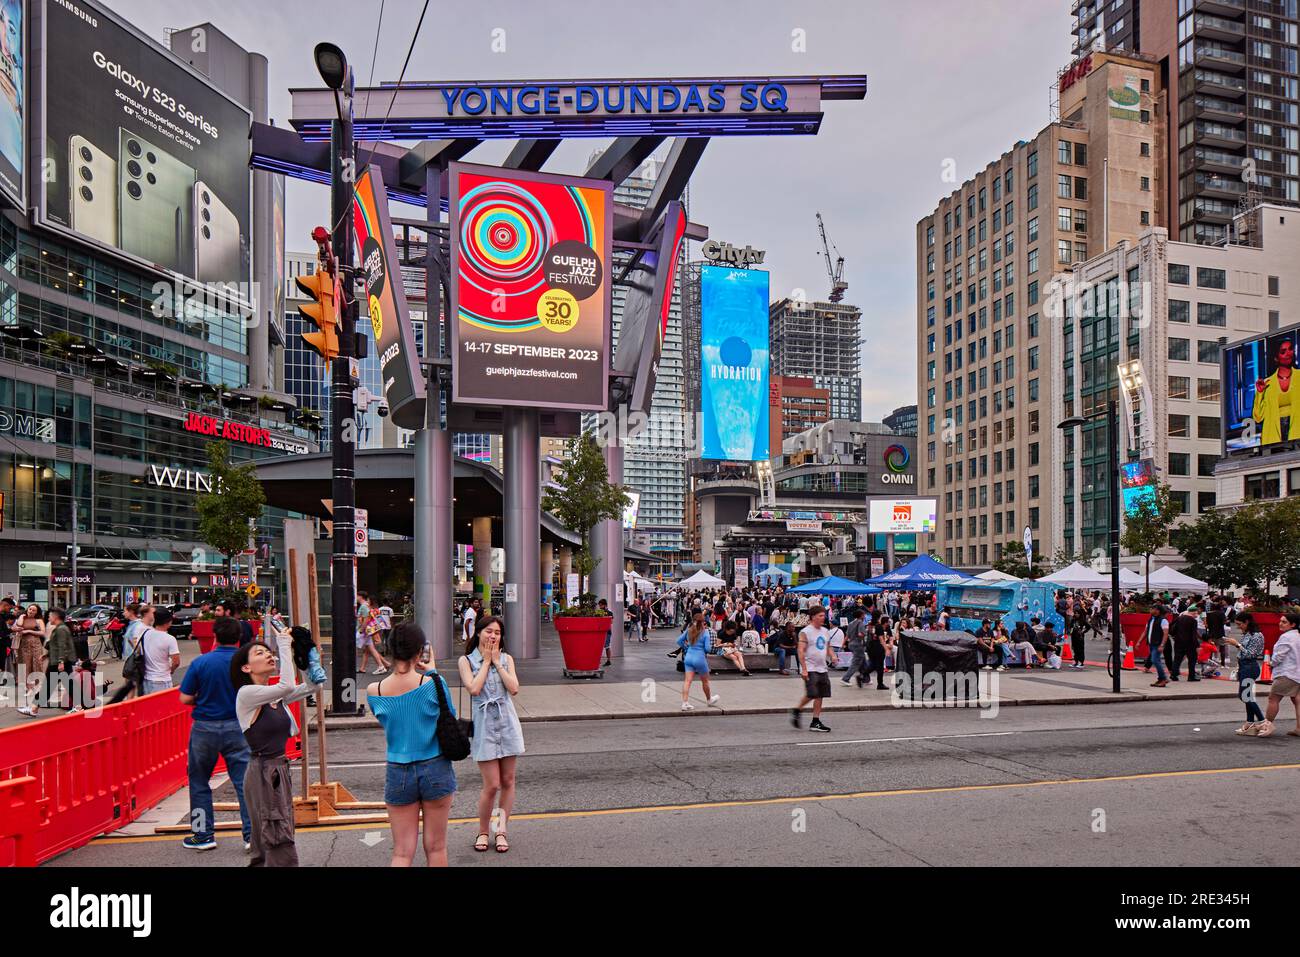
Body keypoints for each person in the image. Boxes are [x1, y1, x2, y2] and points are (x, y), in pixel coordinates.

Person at [368, 623, 458, 866]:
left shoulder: (374, 690)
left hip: (398, 770)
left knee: (401, 852)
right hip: (436, 766)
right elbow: (450, 715)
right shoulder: (432, 684)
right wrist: (434, 673)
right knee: (437, 848)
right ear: (420, 652)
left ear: (390, 650)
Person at [230, 637, 323, 866]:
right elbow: (287, 686)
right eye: (260, 653)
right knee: (275, 831)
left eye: (269, 651)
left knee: (272, 831)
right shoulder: (247, 694)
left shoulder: (273, 695)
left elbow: (314, 687)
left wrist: (306, 660)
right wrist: (283, 646)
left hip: (277, 770)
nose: (269, 655)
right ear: (246, 667)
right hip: (263, 771)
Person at [178, 616, 253, 852]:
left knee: (199, 781)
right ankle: (251, 835)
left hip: (205, 727)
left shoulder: (202, 663)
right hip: (238, 726)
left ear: (215, 636)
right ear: (239, 637)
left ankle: (203, 835)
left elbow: (185, 697)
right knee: (244, 783)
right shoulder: (247, 663)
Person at [458, 615, 525, 854]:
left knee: (508, 781)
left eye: (497, 632)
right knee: (492, 785)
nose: (493, 636)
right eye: (488, 631)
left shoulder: (506, 659)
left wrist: (497, 662)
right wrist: (486, 662)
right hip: (485, 725)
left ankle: (501, 831)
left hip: (507, 722)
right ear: (478, 632)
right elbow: (474, 689)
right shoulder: (466, 660)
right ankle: (483, 831)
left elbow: (514, 688)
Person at [1255, 612, 1300, 738]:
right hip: (1296, 673)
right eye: (1280, 621)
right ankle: (1299, 728)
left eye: (1284, 622)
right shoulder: (1297, 636)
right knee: (1297, 700)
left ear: (1293, 624)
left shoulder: (1286, 637)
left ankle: (1267, 725)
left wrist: (1271, 663)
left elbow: (1279, 655)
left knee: (1273, 699)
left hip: (1287, 673)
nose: (1280, 623)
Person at [1223, 613, 1267, 735]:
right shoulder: (1249, 634)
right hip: (1244, 667)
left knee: (1245, 696)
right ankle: (1250, 722)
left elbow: (1250, 654)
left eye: (1239, 624)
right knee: (1248, 696)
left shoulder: (1257, 635)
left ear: (1247, 622)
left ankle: (1263, 721)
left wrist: (1236, 644)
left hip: (1249, 667)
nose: (1238, 627)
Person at [792, 605, 834, 732]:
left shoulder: (825, 631)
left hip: (822, 667)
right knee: (812, 693)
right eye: (820, 616)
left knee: (820, 695)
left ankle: (815, 721)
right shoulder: (806, 632)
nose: (823, 618)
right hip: (810, 667)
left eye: (824, 615)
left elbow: (828, 646)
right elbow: (800, 650)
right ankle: (797, 710)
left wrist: (833, 655)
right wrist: (803, 669)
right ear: (813, 617)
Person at [1252, 335, 1295, 445]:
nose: (1288, 353)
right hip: (1273, 439)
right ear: (1276, 357)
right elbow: (1258, 417)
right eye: (1283, 351)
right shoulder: (1268, 383)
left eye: (1290, 349)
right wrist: (1260, 393)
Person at [677, 611, 720, 711]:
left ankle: (685, 703)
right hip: (699, 658)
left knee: (687, 681)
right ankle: (709, 700)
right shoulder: (705, 633)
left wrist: (686, 647)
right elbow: (708, 649)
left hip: (688, 657)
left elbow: (678, 641)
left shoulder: (689, 630)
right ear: (703, 622)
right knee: (705, 681)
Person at [13, 604, 47, 716]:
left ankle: (37, 686)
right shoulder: (22, 617)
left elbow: (42, 632)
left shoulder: (39, 620)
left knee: (37, 664)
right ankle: (28, 688)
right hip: (24, 645)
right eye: (30, 609)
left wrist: (29, 631)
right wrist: (22, 617)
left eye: (34, 610)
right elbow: (16, 626)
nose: (31, 611)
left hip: (35, 644)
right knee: (24, 665)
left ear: (37, 612)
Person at [141, 607, 181, 694]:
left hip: (147, 678)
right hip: (162, 680)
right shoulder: (170, 639)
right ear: (169, 621)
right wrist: (172, 670)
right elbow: (176, 661)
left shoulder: (146, 633)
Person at [43, 608, 76, 712]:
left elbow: (62, 646)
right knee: (65, 685)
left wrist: (61, 661)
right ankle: (34, 707)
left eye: (50, 616)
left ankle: (34, 707)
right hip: (58, 661)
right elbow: (56, 646)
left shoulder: (61, 629)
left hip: (59, 662)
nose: (48, 618)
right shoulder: (59, 628)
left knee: (50, 685)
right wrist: (47, 654)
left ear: (55, 617)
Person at [355, 591, 390, 675]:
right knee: (370, 649)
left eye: (357, 596)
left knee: (353, 646)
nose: (356, 598)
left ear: (360, 597)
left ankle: (382, 666)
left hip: (363, 631)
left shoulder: (363, 606)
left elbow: (367, 618)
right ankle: (383, 664)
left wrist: (361, 629)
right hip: (367, 631)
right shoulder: (366, 605)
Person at [1169, 603, 1201, 682]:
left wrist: (1174, 636)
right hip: (1190, 643)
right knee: (1192, 660)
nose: (1196, 615)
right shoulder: (1193, 621)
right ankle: (1191, 676)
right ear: (1193, 613)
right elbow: (1193, 635)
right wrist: (1197, 645)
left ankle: (1174, 674)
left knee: (1177, 659)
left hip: (1178, 641)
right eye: (1196, 613)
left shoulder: (1179, 618)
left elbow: (1172, 628)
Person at [841, 607, 868, 688]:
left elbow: (847, 635)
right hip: (858, 644)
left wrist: (843, 644)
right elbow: (861, 634)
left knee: (863, 661)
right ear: (861, 615)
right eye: (864, 615)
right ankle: (845, 678)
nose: (865, 616)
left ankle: (866, 678)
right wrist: (864, 635)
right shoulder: (860, 623)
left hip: (851, 644)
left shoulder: (850, 623)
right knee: (856, 663)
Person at [1147, 605, 1171, 687]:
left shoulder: (1163, 621)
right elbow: (1146, 631)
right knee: (1157, 661)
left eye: (1152, 608)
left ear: (1158, 611)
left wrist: (1162, 644)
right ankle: (1160, 679)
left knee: (1154, 660)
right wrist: (1139, 641)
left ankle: (1163, 678)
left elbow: (1165, 634)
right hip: (1151, 643)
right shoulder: (1151, 619)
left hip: (1157, 644)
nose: (1150, 610)